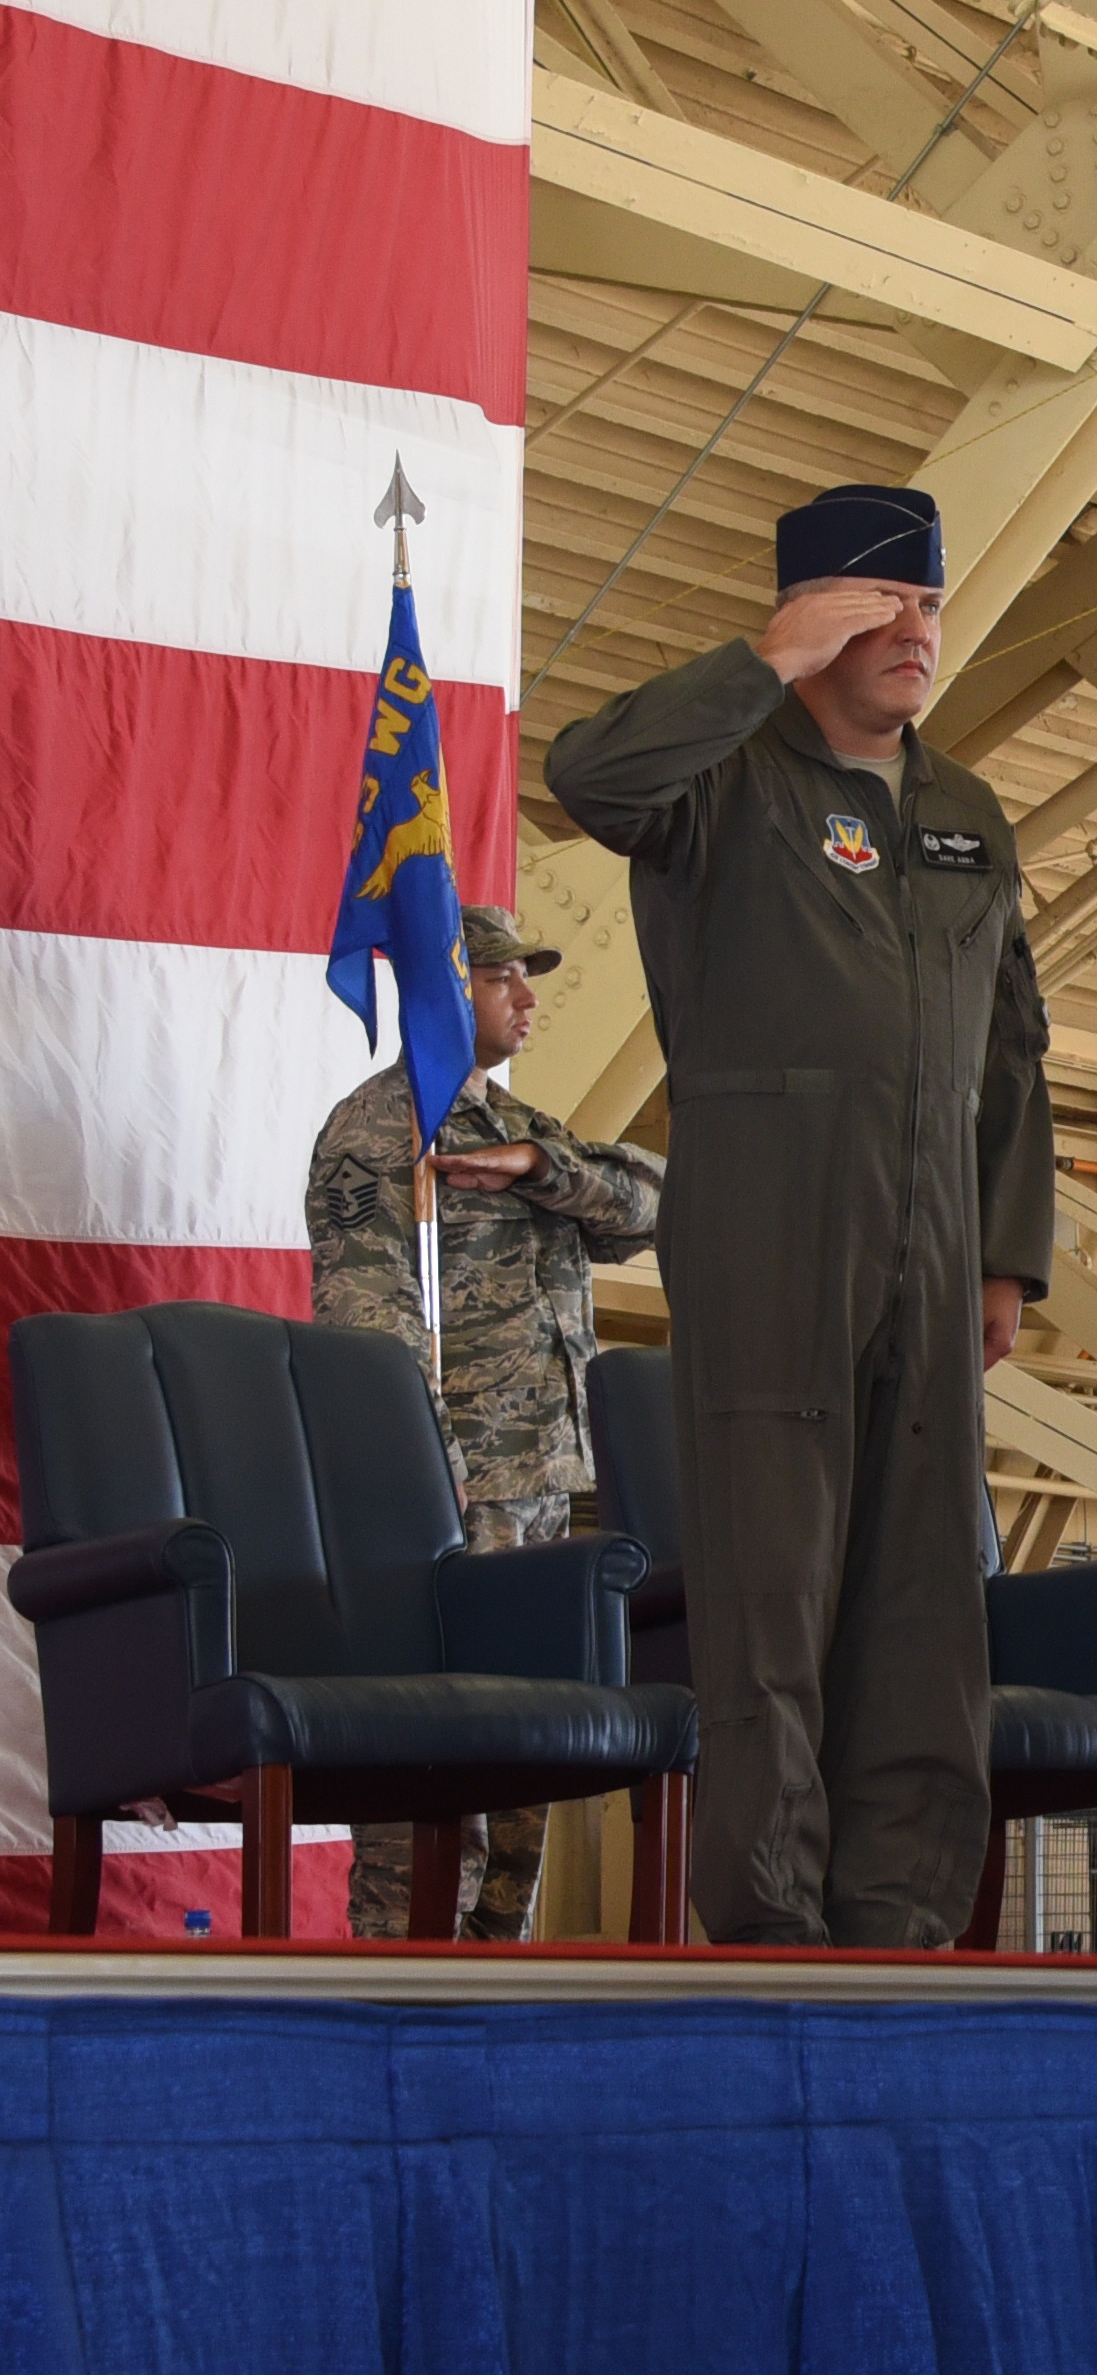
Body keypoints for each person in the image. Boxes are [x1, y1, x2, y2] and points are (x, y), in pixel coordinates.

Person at [543, 483, 1054, 1948]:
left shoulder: (964, 813)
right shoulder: (720, 776)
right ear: (807, 614)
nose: (917, 633)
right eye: (881, 605)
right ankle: (770, 1916)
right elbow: (591, 776)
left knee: (923, 1586)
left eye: (933, 607)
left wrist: (1006, 1250)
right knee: (773, 1578)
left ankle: (900, 1911)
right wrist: (757, 662)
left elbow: (1013, 1042)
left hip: (937, 1225)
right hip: (770, 1205)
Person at [304, 902, 666, 1939]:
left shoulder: (511, 1128)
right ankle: (398, 1971)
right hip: (450, 1494)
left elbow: (649, 1203)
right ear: (439, 987)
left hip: (541, 1488)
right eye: (501, 977)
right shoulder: (382, 1133)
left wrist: (541, 1173)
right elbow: (365, 1335)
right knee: (436, 1754)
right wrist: (426, 1474)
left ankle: (492, 1976)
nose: (527, 997)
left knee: (528, 1753)